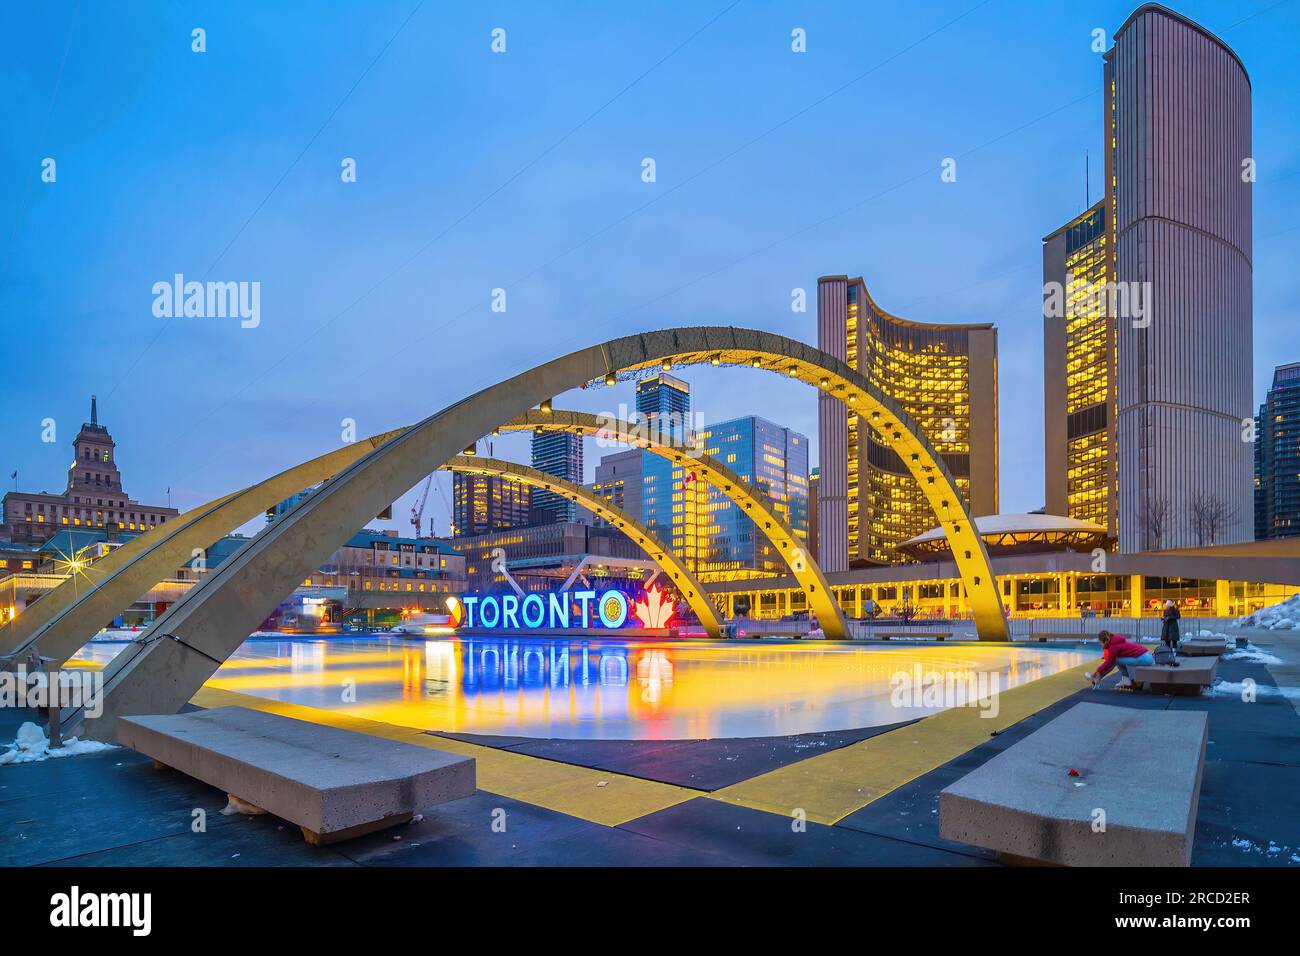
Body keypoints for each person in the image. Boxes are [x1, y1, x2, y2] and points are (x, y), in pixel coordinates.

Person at [1084, 629, 1154, 690]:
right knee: (1116, 659)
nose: (1100, 644)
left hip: (1145, 658)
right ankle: (1125, 679)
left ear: (1105, 641)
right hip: (1147, 656)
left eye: (1100, 642)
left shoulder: (1114, 646)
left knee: (1115, 660)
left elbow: (1109, 662)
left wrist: (1095, 672)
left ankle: (1097, 677)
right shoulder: (1115, 641)